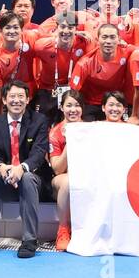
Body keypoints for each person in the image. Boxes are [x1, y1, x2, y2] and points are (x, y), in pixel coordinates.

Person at [0, 81, 49, 259]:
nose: (16, 100)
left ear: (28, 99)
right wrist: (2, 167)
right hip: (6, 177)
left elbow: (38, 152)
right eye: (12, 96)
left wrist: (22, 168)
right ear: (4, 100)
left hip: (32, 177)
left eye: (21, 96)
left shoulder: (39, 121)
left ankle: (30, 239)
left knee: (28, 178)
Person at [71, 23, 134, 121]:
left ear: (119, 39)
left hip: (116, 104)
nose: (108, 41)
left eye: (112, 37)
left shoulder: (127, 51)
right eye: (104, 37)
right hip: (91, 105)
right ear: (97, 40)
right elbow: (72, 93)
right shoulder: (85, 63)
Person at [47, 89, 84, 251]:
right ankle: (63, 229)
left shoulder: (91, 129)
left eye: (77, 105)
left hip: (86, 176)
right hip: (62, 179)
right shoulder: (55, 133)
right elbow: (57, 169)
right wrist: (71, 141)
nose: (73, 109)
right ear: (61, 108)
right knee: (69, 181)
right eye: (69, 105)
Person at [30, 13, 86, 118]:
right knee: (40, 123)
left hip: (71, 91)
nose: (66, 31)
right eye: (62, 27)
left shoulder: (84, 43)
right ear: (56, 28)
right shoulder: (42, 46)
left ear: (76, 29)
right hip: (47, 91)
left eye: (70, 27)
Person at [0, 13, 37, 108]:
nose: (12, 31)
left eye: (16, 27)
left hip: (32, 98)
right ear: (0, 30)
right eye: (7, 28)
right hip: (10, 103)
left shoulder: (31, 38)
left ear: (21, 30)